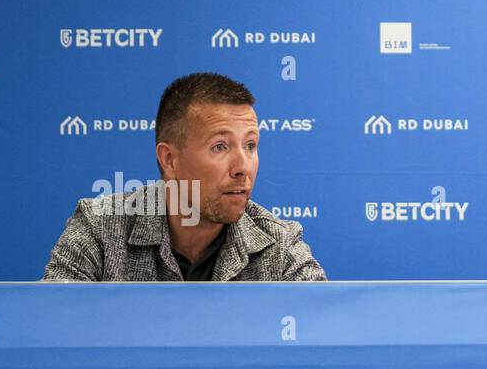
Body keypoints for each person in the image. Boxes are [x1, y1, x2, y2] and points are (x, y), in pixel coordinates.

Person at [43, 73, 326, 281]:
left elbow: (324, 339)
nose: (243, 166)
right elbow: (52, 331)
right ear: (170, 160)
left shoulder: (278, 244)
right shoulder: (100, 229)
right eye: (220, 147)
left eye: (250, 145)